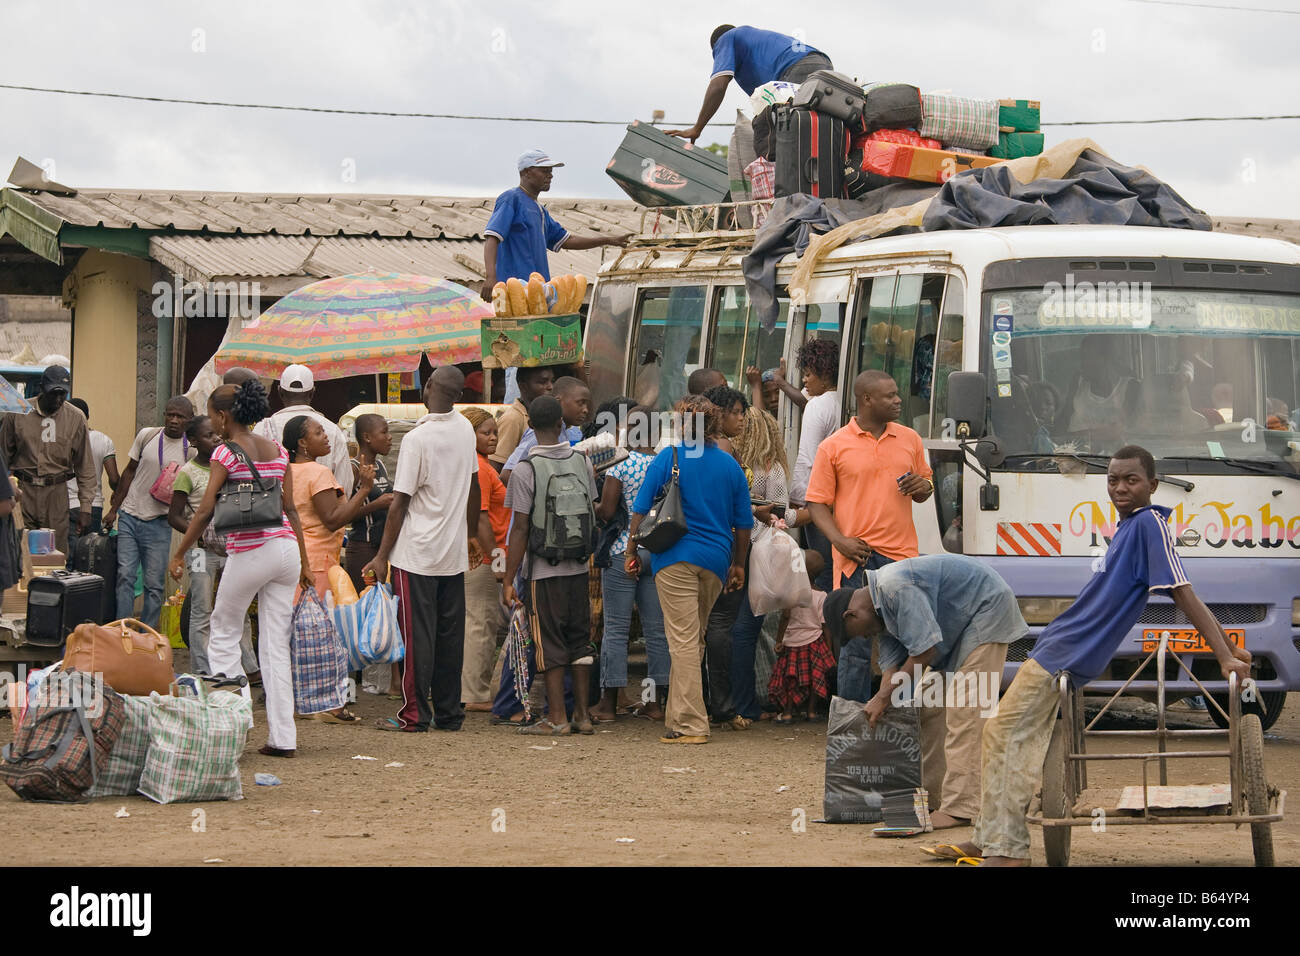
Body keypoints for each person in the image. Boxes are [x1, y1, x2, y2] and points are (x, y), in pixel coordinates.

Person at [940, 446, 1253, 865]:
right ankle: (989, 836)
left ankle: (1008, 849)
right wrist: (1231, 649)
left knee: (1003, 736)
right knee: (1009, 738)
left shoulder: (1148, 525)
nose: (1120, 488)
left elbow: (1184, 592)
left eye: (1131, 480)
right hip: (1057, 646)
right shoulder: (1126, 528)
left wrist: (1225, 655)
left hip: (1064, 655)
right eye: (1113, 480)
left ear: (1153, 485)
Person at [168, 380, 315, 758]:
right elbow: (292, 510)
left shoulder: (225, 454)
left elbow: (203, 511)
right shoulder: (279, 451)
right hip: (286, 551)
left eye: (213, 415)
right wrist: (306, 563)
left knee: (223, 630)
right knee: (274, 645)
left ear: (222, 415)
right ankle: (284, 738)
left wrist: (180, 553)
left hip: (251, 552)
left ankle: (234, 723)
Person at [828, 554, 1025, 830]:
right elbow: (891, 668)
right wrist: (882, 698)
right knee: (929, 706)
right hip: (956, 633)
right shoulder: (880, 609)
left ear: (851, 614)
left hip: (986, 613)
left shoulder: (894, 588)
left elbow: (924, 651)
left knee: (965, 712)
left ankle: (961, 808)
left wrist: (883, 697)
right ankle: (935, 799)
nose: (861, 638)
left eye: (853, 633)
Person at [629, 395, 754, 744]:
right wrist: (739, 564)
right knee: (693, 639)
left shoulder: (668, 458)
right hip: (715, 561)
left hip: (674, 557)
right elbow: (743, 523)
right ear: (715, 424)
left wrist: (631, 550)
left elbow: (639, 511)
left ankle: (692, 725)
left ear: (682, 424)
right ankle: (677, 716)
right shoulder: (730, 465)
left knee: (682, 640)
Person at [363, 367, 482, 734]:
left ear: (428, 387)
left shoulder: (417, 439)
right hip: (451, 553)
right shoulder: (465, 429)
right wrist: (470, 533)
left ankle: (414, 715)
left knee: (417, 638)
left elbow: (399, 503)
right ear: (459, 396)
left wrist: (382, 556)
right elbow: (475, 485)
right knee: (449, 637)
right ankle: (448, 714)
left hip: (416, 554)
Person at [805, 369, 933, 701]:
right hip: (854, 558)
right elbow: (816, 504)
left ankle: (900, 721)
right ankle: (851, 724)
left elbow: (924, 488)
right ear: (866, 400)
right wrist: (839, 540)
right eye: (889, 395)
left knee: (907, 641)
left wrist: (924, 487)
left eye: (896, 393)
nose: (898, 400)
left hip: (902, 558)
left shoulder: (910, 439)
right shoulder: (833, 446)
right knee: (854, 646)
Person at [480, 149, 630, 407]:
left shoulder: (539, 209)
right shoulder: (511, 198)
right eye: (544, 170)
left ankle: (540, 411)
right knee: (519, 358)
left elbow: (565, 240)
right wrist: (490, 277)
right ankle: (516, 411)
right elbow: (492, 236)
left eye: (552, 171)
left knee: (539, 359)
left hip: (538, 291)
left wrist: (608, 239)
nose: (550, 175)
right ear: (526, 173)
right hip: (516, 292)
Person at [500, 395, 598, 736]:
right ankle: (583, 716)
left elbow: (521, 528)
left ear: (529, 426)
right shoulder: (582, 461)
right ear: (562, 425)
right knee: (580, 640)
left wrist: (509, 578)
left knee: (549, 642)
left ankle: (556, 717)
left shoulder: (526, 469)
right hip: (579, 567)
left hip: (543, 570)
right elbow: (592, 509)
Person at [284, 414, 375, 723]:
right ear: (301, 442)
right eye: (318, 433)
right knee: (321, 636)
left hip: (296, 556)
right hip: (318, 561)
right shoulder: (318, 472)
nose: (327, 437)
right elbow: (334, 519)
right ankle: (325, 705)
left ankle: (296, 700)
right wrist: (364, 490)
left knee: (293, 632)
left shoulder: (287, 470)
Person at [591, 403, 669, 723]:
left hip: (624, 551)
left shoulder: (620, 462)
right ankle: (653, 704)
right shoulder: (667, 465)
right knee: (656, 632)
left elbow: (608, 512)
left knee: (616, 631)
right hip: (657, 551)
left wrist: (589, 500)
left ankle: (608, 705)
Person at [168, 414, 259, 681]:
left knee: (236, 608)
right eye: (209, 436)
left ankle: (249, 668)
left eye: (217, 434)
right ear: (194, 441)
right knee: (202, 610)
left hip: (233, 548)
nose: (217, 438)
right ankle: (203, 670)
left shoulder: (231, 466)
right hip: (200, 552)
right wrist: (198, 534)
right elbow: (173, 515)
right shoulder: (187, 473)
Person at [104, 395, 196, 627]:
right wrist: (114, 510)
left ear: (189, 420)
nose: (174, 420)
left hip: (160, 523)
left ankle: (147, 640)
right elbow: (128, 472)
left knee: (154, 585)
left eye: (180, 416)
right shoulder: (147, 435)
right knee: (125, 576)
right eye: (170, 414)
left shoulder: (191, 451)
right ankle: (122, 631)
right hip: (130, 516)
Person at [667, 24, 833, 142]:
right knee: (820, 134)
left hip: (798, 68)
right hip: (824, 66)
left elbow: (718, 87)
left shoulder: (726, 39)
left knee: (783, 137)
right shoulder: (753, 49)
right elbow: (764, 106)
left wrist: (697, 128)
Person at [0, 365, 95, 557]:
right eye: (54, 393)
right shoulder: (17, 412)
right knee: (18, 548)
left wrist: (86, 507)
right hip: (23, 490)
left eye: (63, 394)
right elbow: (2, 456)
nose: (59, 399)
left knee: (55, 552)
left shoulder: (75, 418)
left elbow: (85, 465)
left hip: (56, 493)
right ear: (42, 388)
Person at [459, 406, 510, 712]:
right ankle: (475, 693)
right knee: (480, 623)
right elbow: (481, 520)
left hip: (479, 555)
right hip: (483, 558)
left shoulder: (479, 465)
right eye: (486, 432)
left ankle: (468, 689)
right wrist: (499, 562)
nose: (493, 438)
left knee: (474, 622)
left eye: (495, 432)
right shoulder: (479, 469)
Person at [785, 340, 841, 593]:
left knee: (822, 568)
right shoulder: (843, 399)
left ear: (825, 373)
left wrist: (799, 500)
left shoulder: (818, 406)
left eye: (808, 374)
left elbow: (808, 458)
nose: (805, 381)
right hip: (840, 498)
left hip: (817, 501)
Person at [254, 364, 352, 491]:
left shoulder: (262, 428)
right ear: (312, 393)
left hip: (273, 509)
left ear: (280, 392)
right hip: (324, 508)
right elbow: (344, 484)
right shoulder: (332, 429)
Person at [769, 551, 833, 724]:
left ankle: (788, 713)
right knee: (814, 679)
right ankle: (811, 712)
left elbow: (785, 616)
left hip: (792, 643)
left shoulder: (792, 592)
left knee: (791, 679)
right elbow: (825, 625)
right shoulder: (822, 595)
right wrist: (829, 648)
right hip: (815, 643)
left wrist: (779, 640)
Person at [500, 376, 590, 482]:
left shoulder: (568, 432)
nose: (585, 410)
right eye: (580, 403)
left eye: (586, 405)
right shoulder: (540, 433)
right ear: (559, 402)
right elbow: (507, 475)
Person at [342, 413, 394, 592]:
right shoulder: (353, 469)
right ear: (367, 437)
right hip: (363, 548)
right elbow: (342, 516)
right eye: (384, 432)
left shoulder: (381, 466)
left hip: (382, 549)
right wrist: (376, 504)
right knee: (366, 603)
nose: (389, 437)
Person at [65, 398, 119, 557]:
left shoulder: (62, 440)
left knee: (69, 557)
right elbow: (114, 478)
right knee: (90, 557)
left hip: (67, 504)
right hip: (94, 506)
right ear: (87, 416)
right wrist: (116, 495)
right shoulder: (103, 440)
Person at [492, 366, 555, 470]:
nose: (550, 387)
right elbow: (496, 466)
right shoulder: (513, 419)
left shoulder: (546, 415)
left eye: (552, 381)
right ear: (523, 386)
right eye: (542, 382)